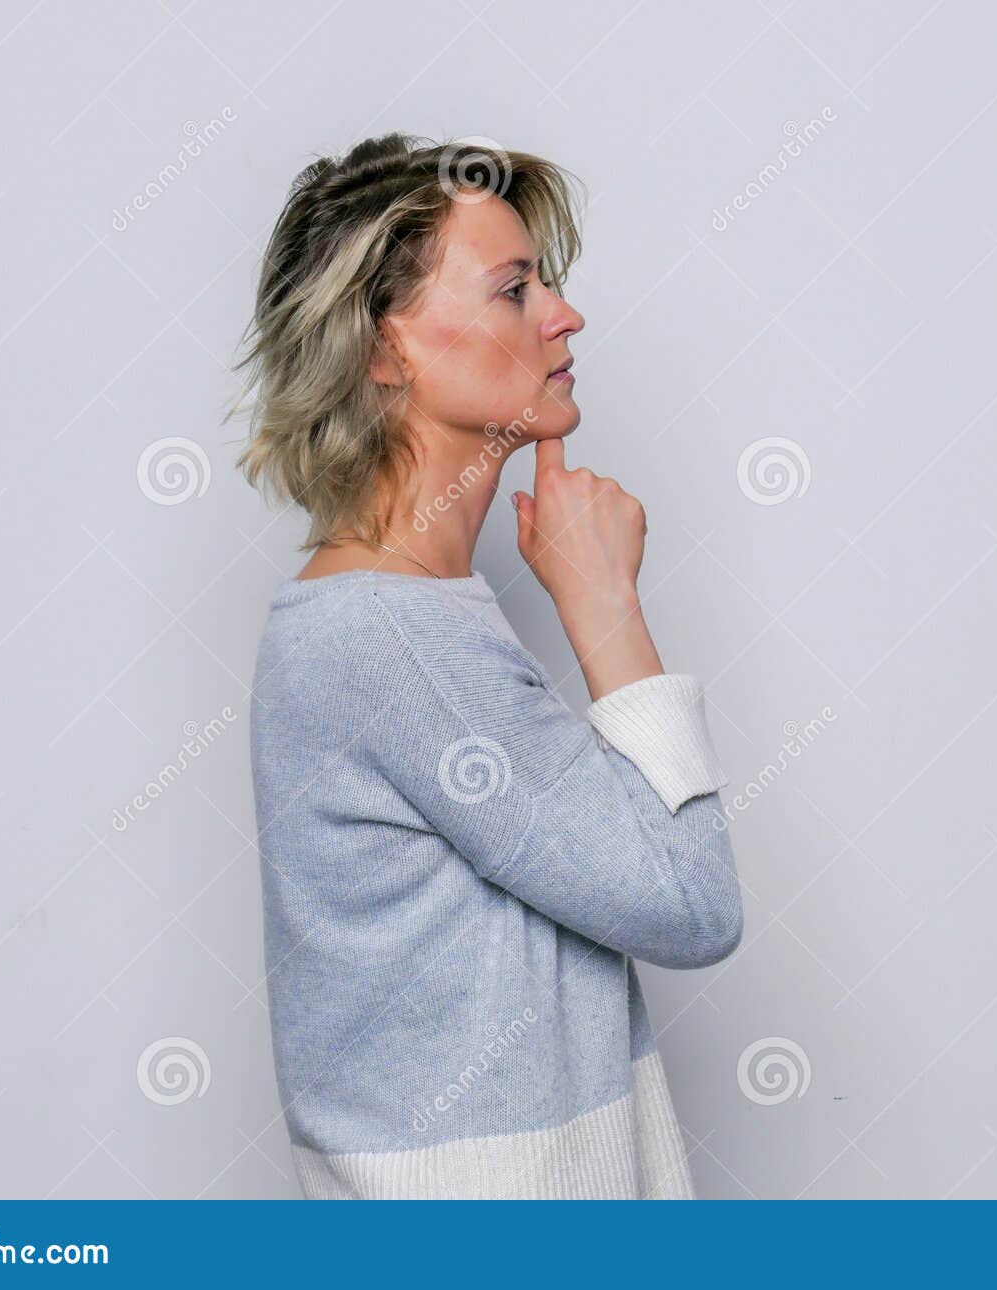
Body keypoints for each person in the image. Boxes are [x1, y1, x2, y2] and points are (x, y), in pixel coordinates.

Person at [227, 133, 743, 1199]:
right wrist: (603, 607)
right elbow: (692, 908)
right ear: (383, 349)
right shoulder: (391, 639)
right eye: (515, 290)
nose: (564, 315)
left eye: (547, 283)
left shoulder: (404, 616)